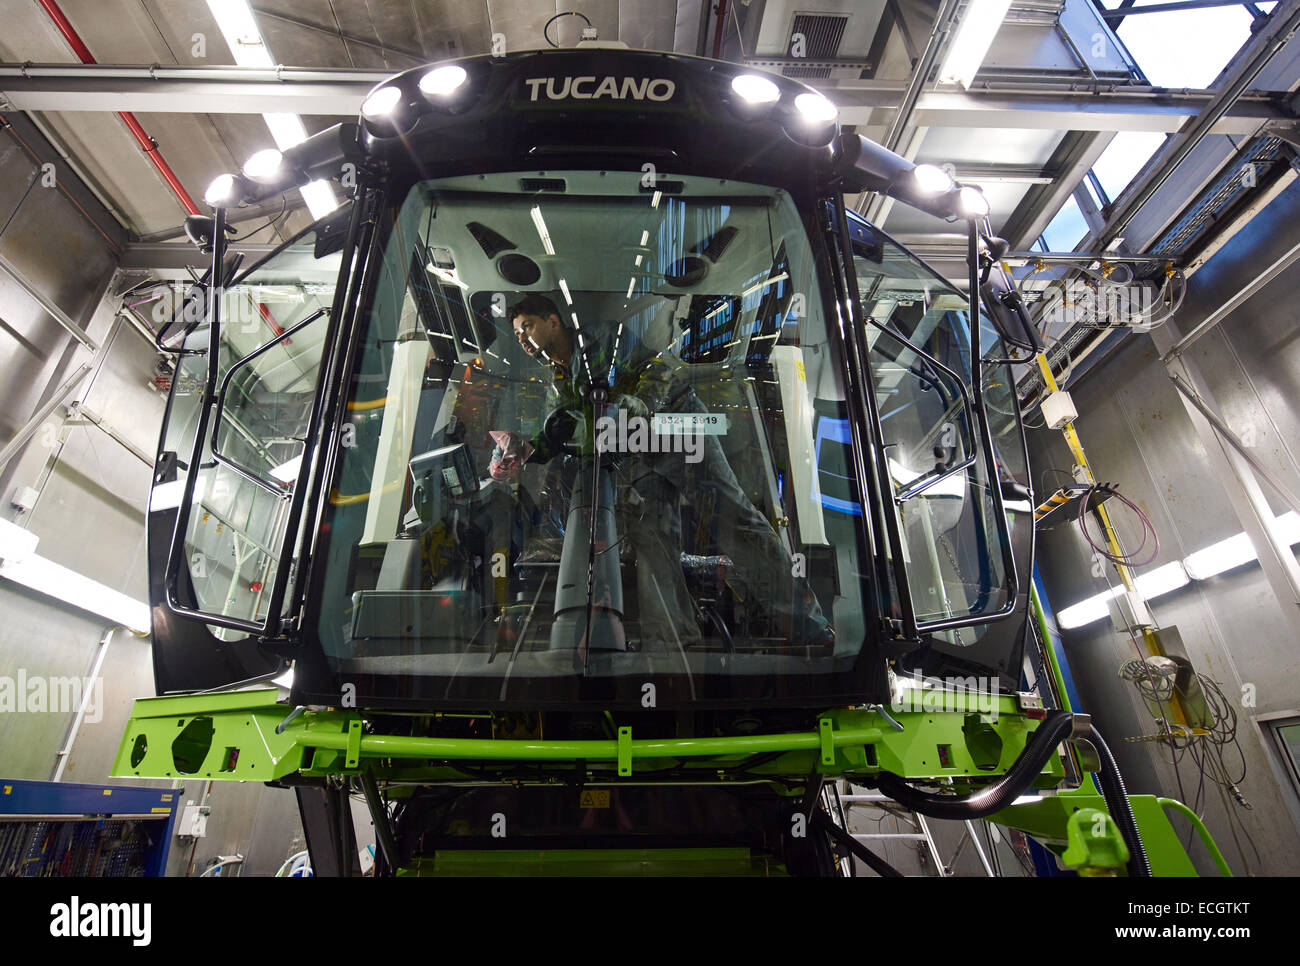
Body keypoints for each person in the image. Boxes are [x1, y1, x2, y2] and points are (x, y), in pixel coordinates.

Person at [492, 293, 833, 649]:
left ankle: (808, 627)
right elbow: (558, 433)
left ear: (552, 322)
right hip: (641, 453)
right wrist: (521, 453)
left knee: (732, 520)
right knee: (651, 537)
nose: (522, 338)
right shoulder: (558, 383)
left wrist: (641, 404)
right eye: (516, 333)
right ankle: (674, 644)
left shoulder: (602, 340)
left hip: (676, 426)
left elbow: (658, 369)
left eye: (526, 326)